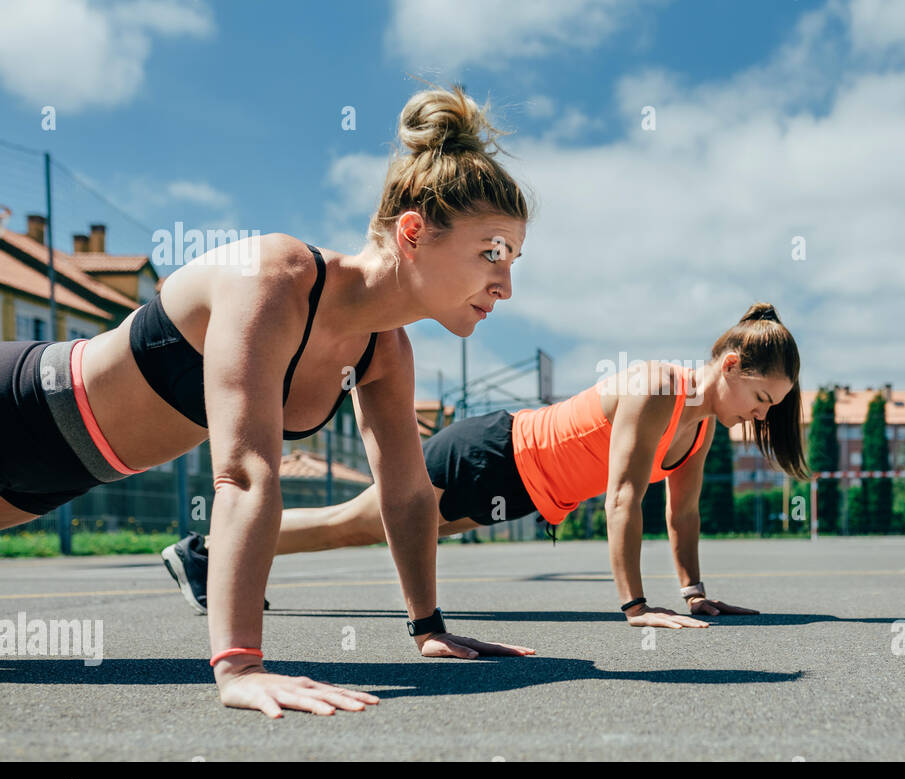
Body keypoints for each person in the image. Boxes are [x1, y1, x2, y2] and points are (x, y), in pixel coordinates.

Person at [0, 85, 534, 716]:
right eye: (491, 253)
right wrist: (240, 666)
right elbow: (246, 474)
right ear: (413, 232)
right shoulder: (277, 279)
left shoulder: (384, 353)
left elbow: (409, 492)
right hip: (22, 407)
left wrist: (429, 628)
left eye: (514, 259)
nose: (505, 283)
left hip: (49, 482)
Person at [163, 303, 810, 629]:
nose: (758, 416)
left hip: (518, 487)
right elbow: (622, 496)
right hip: (494, 454)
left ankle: (212, 554)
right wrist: (636, 605)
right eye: (760, 398)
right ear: (729, 366)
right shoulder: (657, 388)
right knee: (359, 523)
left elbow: (683, 512)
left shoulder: (697, 431)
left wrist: (693, 593)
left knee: (360, 524)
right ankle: (210, 552)